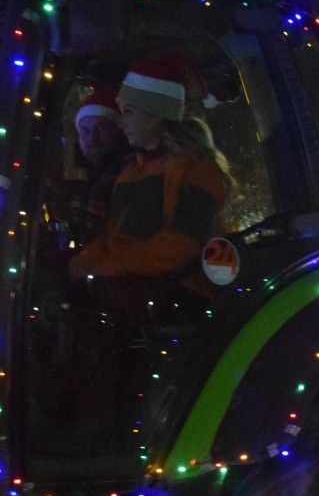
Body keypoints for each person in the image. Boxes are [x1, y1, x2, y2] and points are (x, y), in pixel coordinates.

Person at [68, 53, 231, 322]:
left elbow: (180, 246)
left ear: (156, 115)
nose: (122, 123)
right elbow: (116, 238)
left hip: (180, 294)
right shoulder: (132, 173)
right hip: (138, 286)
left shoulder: (194, 170)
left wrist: (109, 267)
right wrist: (84, 260)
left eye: (128, 112)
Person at [52, 86, 132, 247]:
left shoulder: (130, 175)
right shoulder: (89, 179)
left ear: (120, 131)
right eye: (85, 130)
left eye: (101, 128)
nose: (92, 139)